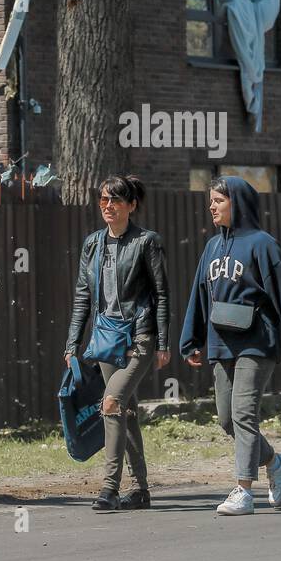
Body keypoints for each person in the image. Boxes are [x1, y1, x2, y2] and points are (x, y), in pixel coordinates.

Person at [180, 175, 281, 515]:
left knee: (244, 414)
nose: (211, 206)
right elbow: (200, 295)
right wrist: (190, 340)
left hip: (257, 342)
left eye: (218, 200)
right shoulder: (212, 247)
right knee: (227, 420)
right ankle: (274, 461)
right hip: (220, 343)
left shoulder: (262, 244)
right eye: (210, 200)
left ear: (237, 203)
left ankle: (243, 491)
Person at [64, 175, 170, 512]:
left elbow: (161, 293)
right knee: (125, 411)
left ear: (131, 205)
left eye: (116, 201)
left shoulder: (146, 242)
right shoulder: (92, 244)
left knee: (111, 402)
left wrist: (164, 341)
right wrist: (72, 345)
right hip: (107, 339)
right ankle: (140, 491)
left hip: (138, 338)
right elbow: (83, 297)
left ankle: (109, 489)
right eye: (104, 200)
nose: (108, 206)